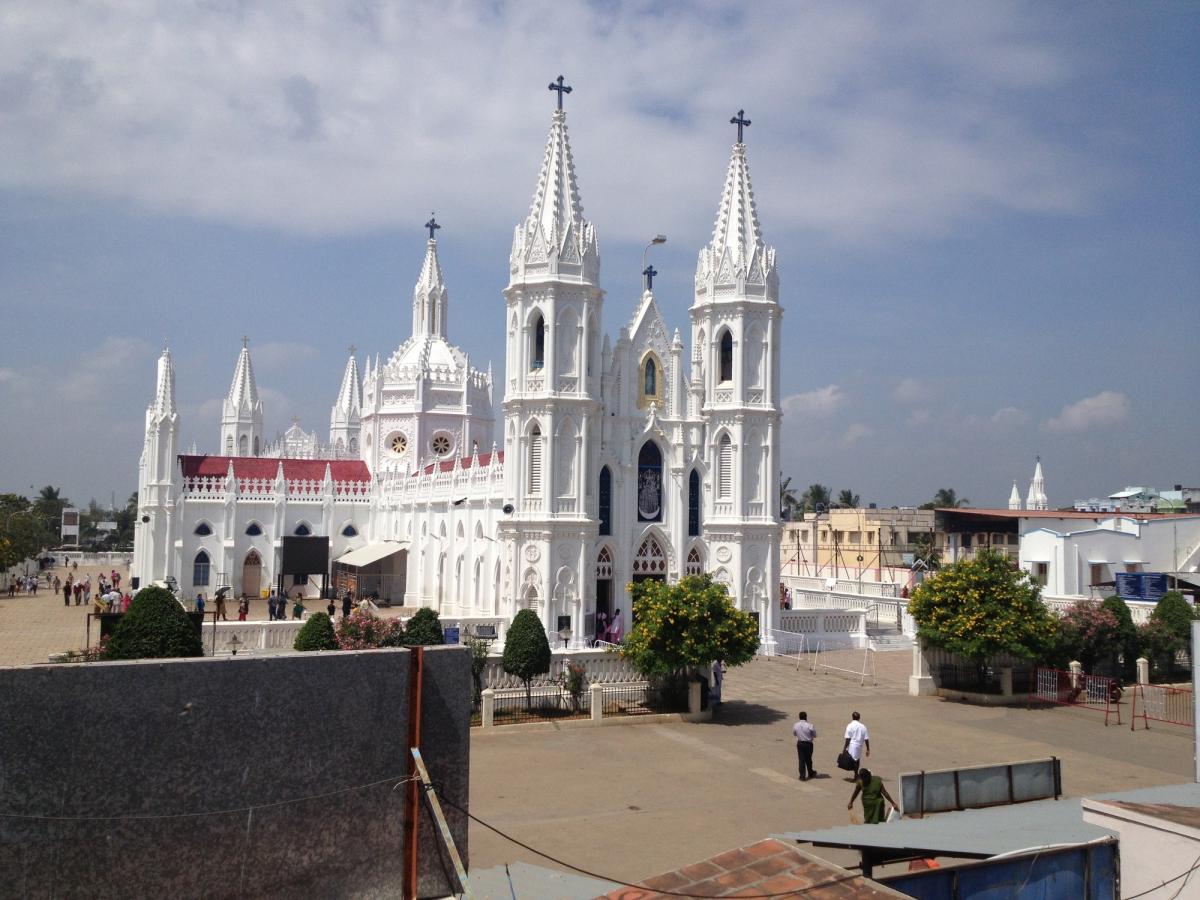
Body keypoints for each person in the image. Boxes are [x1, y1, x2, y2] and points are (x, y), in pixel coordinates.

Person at [842, 711, 870, 778]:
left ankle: (856, 775)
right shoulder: (863, 726)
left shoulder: (850, 725)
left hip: (852, 745)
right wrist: (868, 749)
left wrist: (845, 748)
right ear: (859, 718)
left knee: (853, 760)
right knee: (857, 759)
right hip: (859, 746)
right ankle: (856, 773)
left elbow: (848, 738)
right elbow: (866, 739)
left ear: (852, 717)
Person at [793, 711, 817, 781]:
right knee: (808, 759)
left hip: (800, 743)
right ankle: (810, 773)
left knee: (801, 760)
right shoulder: (810, 725)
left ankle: (802, 776)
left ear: (799, 717)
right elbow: (815, 735)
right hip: (808, 744)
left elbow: (794, 733)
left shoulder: (796, 725)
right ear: (806, 717)